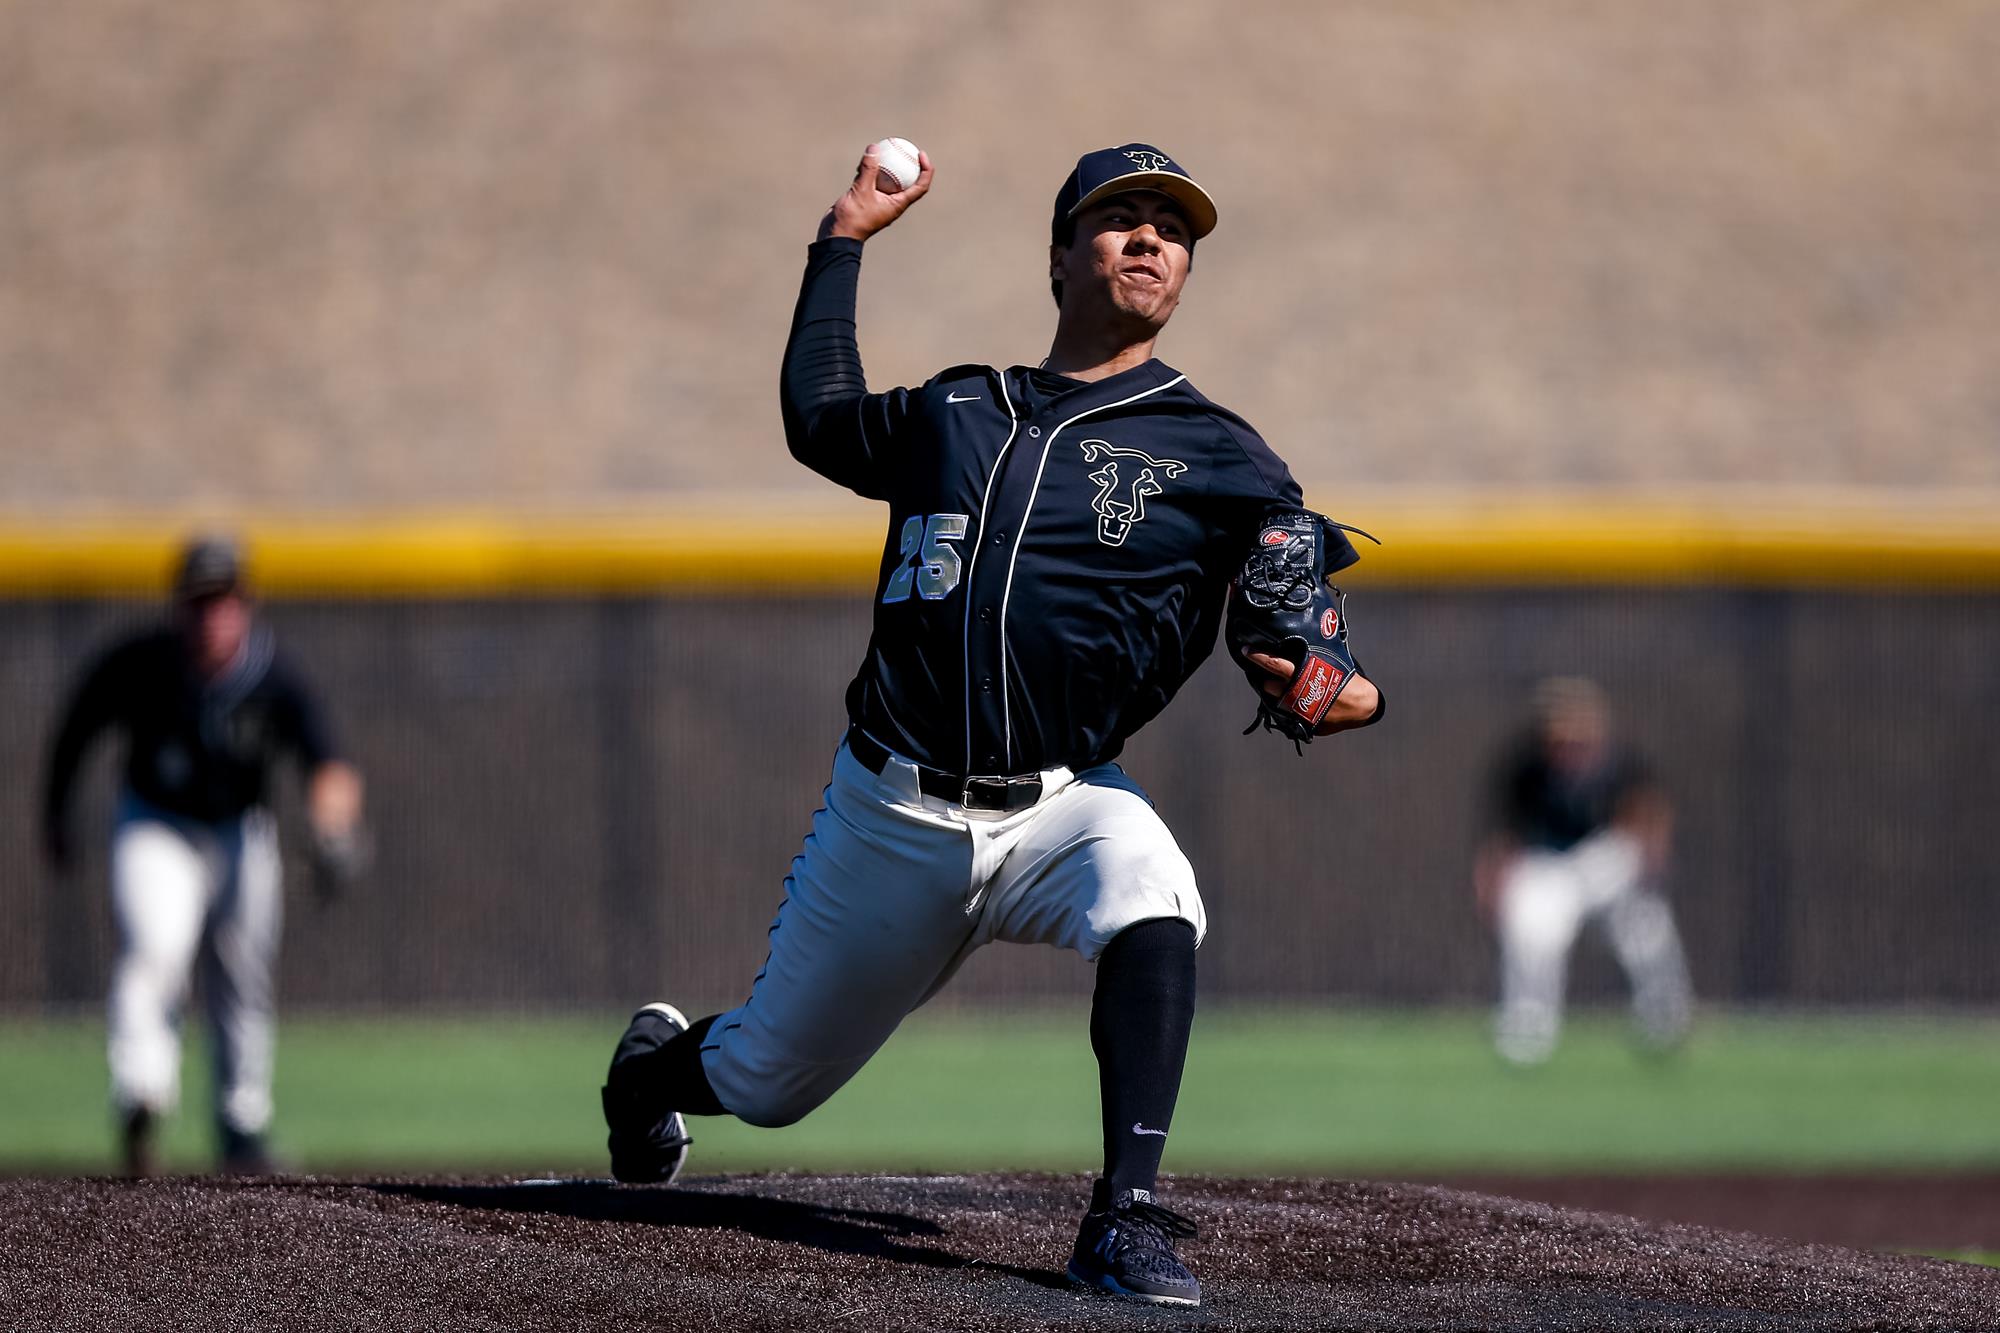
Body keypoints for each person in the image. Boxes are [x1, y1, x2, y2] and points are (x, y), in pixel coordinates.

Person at [598, 141, 1381, 1308]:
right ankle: (643, 1076)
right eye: (1120, 216)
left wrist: (1338, 684)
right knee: (767, 1080)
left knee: (1154, 890)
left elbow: (1316, 636)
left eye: (1173, 227)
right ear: (1061, 252)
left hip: (1062, 800)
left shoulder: (1220, 452)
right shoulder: (960, 408)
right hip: (891, 809)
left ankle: (1120, 1219)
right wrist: (841, 241)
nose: (1150, 238)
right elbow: (819, 420)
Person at [41, 536, 366, 1176]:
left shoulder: (272, 673)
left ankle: (242, 1124)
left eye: (223, 600)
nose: (210, 615)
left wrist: (333, 831)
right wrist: (56, 814)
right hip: (155, 825)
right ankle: (141, 1094)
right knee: (155, 947)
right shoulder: (144, 663)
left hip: (240, 832)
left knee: (242, 976)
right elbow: (77, 728)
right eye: (198, 601)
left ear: (246, 606)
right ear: (177, 608)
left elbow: (328, 764)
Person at [1475, 676, 1692, 1065]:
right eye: (1560, 734)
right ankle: (1528, 1028)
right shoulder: (1527, 768)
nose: (1568, 744)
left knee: (1644, 925)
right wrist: (1494, 881)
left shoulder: (1618, 764)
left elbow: (1647, 814)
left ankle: (1663, 1018)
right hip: (1552, 867)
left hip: (1603, 864)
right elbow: (1506, 837)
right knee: (1532, 931)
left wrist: (1651, 862)